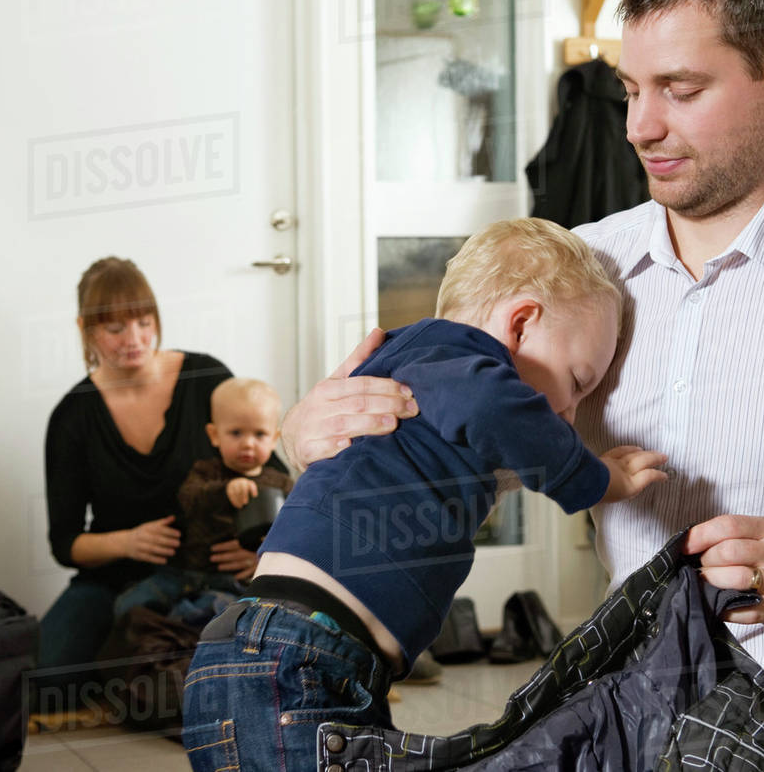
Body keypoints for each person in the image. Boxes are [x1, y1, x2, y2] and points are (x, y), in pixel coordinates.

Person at [279, 0, 764, 772]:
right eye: (631, 88)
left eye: (682, 91)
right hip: (640, 741)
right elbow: (464, 449)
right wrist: (318, 440)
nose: (638, 126)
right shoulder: (581, 277)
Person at [181, 218, 668, 772]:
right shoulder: (461, 362)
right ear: (521, 322)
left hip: (281, 652)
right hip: (302, 659)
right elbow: (495, 410)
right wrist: (600, 479)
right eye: (579, 381)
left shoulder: (413, 356)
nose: (571, 413)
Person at [35, 257, 279, 714]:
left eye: (144, 323)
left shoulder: (205, 379)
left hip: (215, 570)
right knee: (47, 675)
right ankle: (138, 668)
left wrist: (258, 554)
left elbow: (275, 479)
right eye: (114, 329)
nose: (134, 340)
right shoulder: (72, 416)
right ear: (85, 330)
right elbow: (66, 543)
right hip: (117, 579)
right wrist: (127, 542)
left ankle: (153, 673)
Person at [111, 377, 293, 620]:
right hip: (184, 572)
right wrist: (225, 491)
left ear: (274, 439)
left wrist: (262, 557)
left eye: (259, 434)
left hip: (233, 581)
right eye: (236, 433)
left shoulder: (281, 483)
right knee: (127, 605)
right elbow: (189, 497)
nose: (248, 443)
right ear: (214, 435)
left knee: (213, 614)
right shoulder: (205, 472)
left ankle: (182, 619)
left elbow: (293, 531)